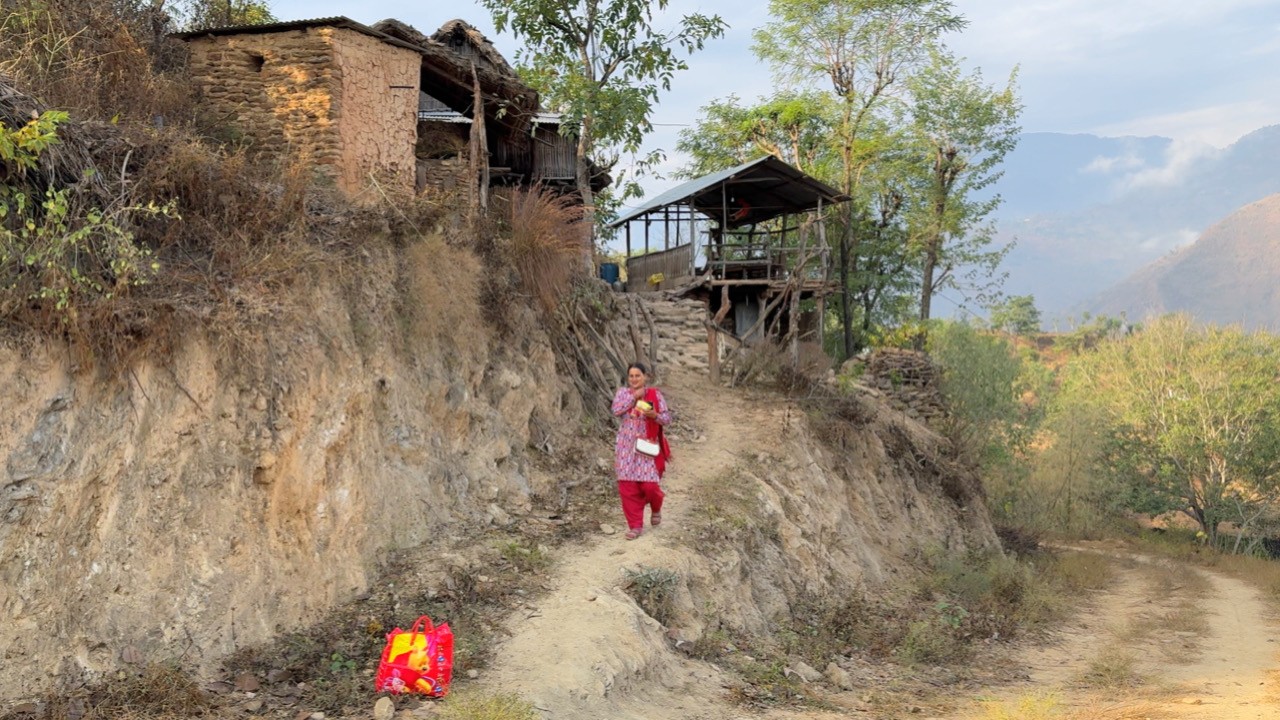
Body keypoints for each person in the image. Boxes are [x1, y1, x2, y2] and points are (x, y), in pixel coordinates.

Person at [610, 362, 672, 540]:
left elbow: (667, 418)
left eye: (638, 376)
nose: (634, 379)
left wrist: (655, 416)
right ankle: (635, 525)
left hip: (646, 445)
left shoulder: (655, 394)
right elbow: (616, 410)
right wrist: (634, 398)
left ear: (645, 377)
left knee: (650, 485)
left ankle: (656, 506)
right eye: (631, 376)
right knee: (627, 486)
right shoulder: (623, 394)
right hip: (626, 446)